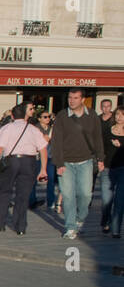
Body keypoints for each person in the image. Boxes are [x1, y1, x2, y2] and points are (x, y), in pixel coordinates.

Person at [49, 88, 105, 240]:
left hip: (85, 162)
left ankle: (80, 218)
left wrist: (101, 158)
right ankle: (70, 227)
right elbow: (56, 141)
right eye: (69, 97)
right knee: (67, 196)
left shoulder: (92, 115)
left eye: (75, 98)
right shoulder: (62, 116)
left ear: (82, 99)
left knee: (85, 195)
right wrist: (59, 163)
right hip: (65, 163)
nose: (71, 101)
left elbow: (97, 138)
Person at [0, 101, 47, 235]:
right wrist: (43, 169)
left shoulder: (7, 128)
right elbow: (43, 149)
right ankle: (20, 227)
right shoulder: (33, 129)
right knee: (23, 195)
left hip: (11, 161)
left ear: (13, 116)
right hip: (29, 162)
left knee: (5, 191)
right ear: (25, 116)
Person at [102, 106, 124, 239]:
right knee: (106, 200)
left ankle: (116, 229)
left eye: (122, 115)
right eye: (117, 114)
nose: (119, 117)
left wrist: (121, 146)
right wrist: (99, 161)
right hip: (107, 168)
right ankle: (107, 221)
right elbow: (101, 147)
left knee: (119, 201)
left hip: (123, 169)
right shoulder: (107, 130)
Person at [100, 99, 116, 232]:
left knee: (119, 198)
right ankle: (106, 219)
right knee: (106, 197)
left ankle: (114, 224)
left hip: (121, 167)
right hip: (106, 164)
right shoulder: (104, 126)